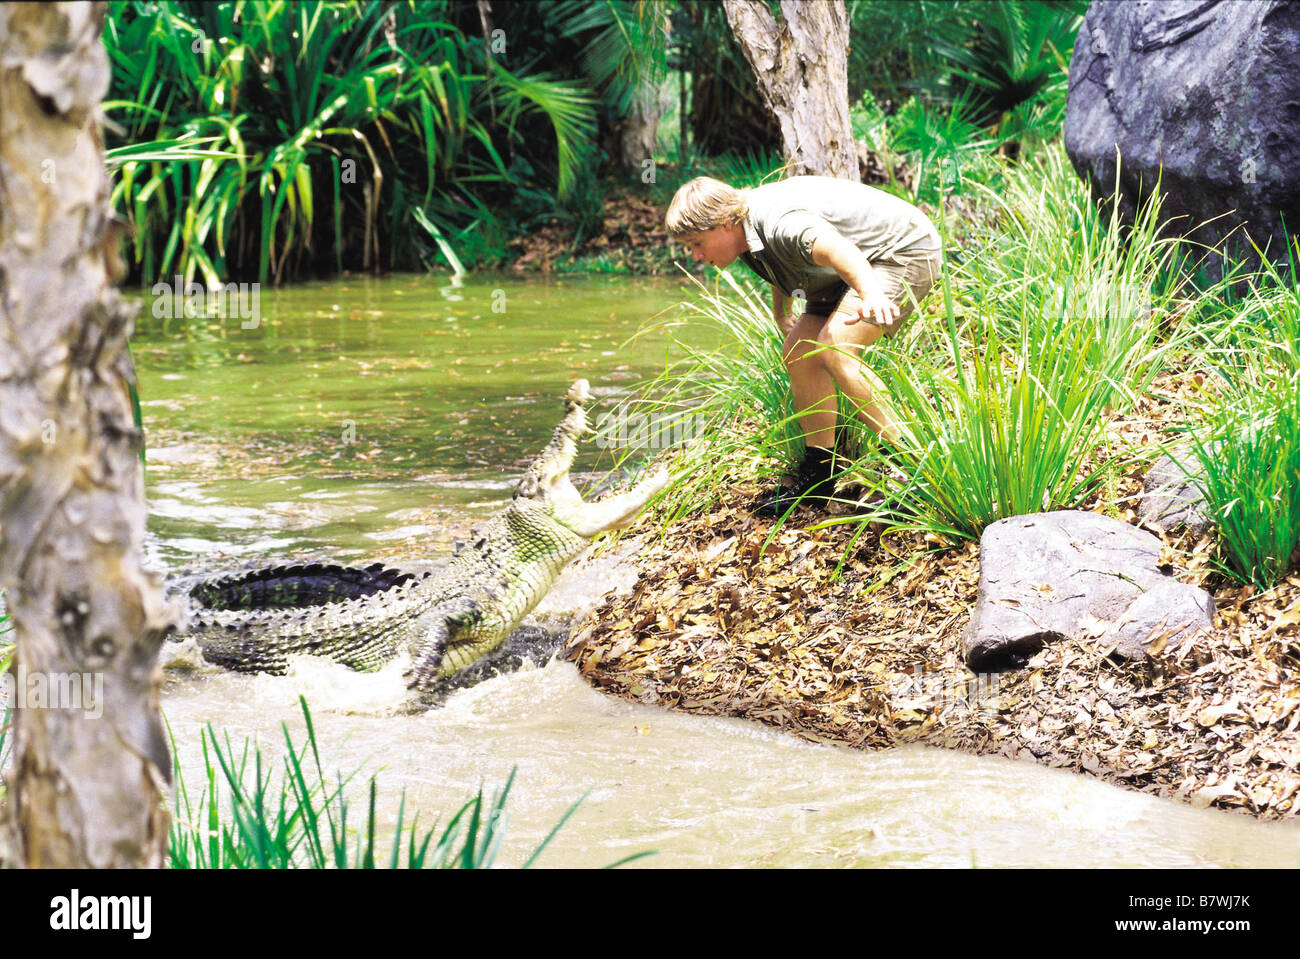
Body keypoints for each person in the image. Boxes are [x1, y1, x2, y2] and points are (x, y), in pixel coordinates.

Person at [664, 174, 942, 514]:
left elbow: (837, 249)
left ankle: (917, 468)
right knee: (799, 351)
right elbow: (779, 262)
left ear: (723, 224)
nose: (695, 255)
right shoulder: (742, 231)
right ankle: (819, 476)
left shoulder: (782, 223)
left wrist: (870, 294)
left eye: (696, 243)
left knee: (835, 346)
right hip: (849, 268)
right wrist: (783, 313)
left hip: (900, 250)